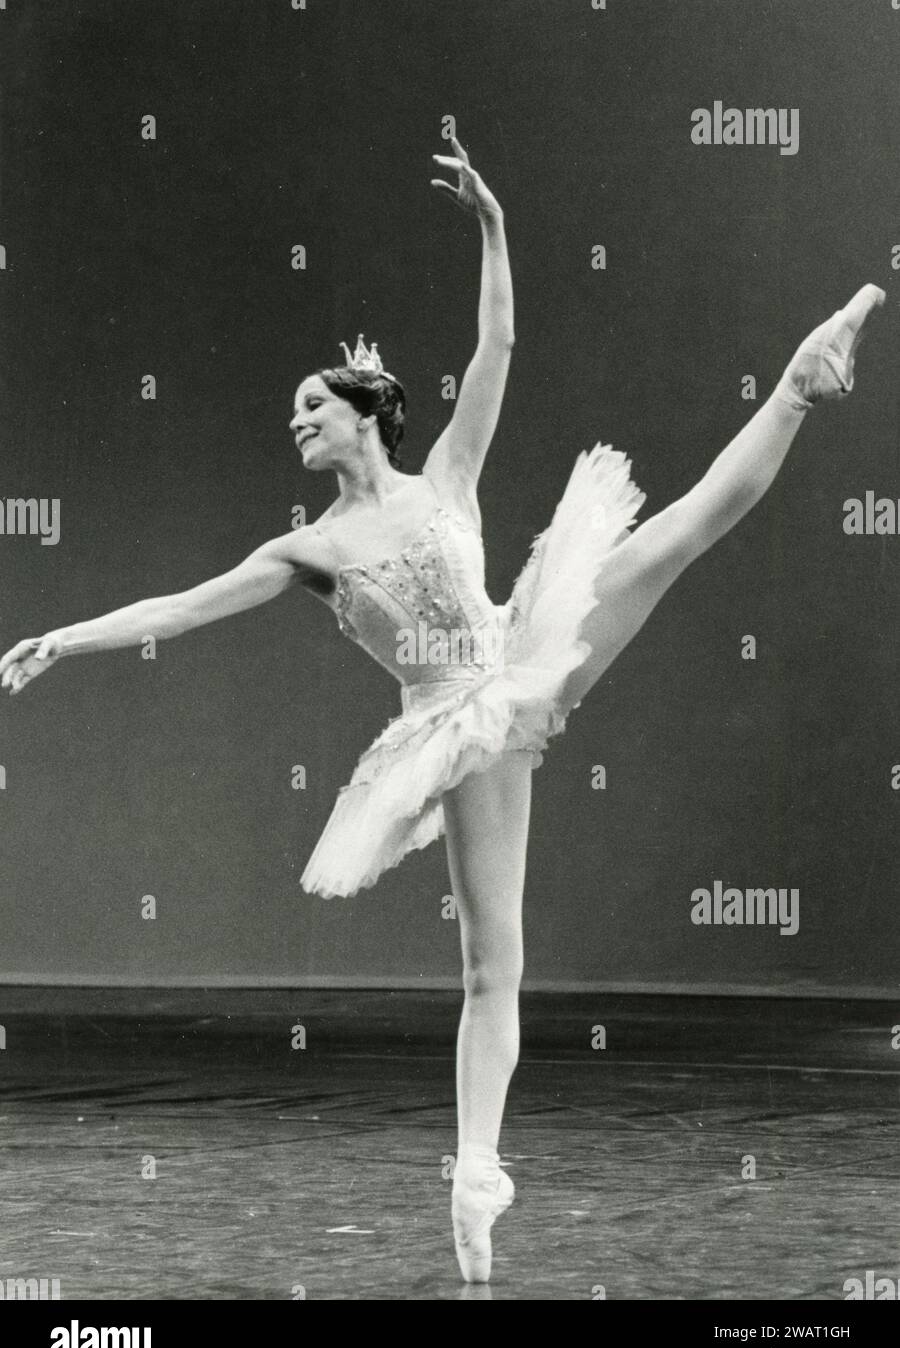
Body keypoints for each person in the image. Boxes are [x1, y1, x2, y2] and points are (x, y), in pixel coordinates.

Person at [0, 135, 885, 1284]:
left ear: (367, 414)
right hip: (455, 724)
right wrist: (66, 635)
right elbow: (187, 603)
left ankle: (803, 378)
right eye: (295, 415)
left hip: (521, 648)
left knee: (681, 528)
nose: (298, 423)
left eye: (312, 407)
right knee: (489, 967)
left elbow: (499, 341)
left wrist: (494, 223)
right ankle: (476, 1174)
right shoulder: (308, 546)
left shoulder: (448, 474)